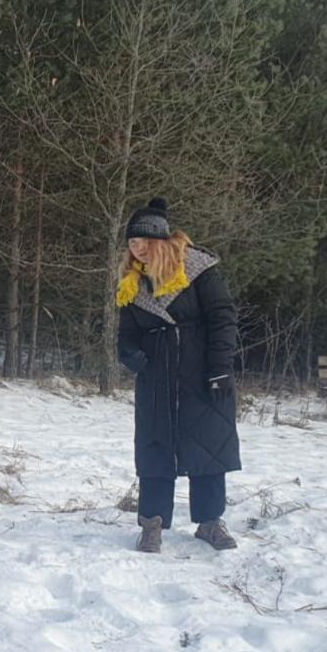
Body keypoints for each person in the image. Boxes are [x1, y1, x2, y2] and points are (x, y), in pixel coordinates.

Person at [116, 197, 242, 553]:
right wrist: (131, 356)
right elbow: (125, 335)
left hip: (202, 373)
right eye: (131, 243)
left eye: (143, 242)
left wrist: (219, 368)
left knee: (208, 446)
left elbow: (223, 318)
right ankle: (152, 523)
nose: (137, 249)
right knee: (155, 447)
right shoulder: (131, 285)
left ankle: (210, 522)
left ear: (160, 241)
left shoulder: (199, 270)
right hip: (157, 378)